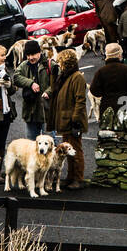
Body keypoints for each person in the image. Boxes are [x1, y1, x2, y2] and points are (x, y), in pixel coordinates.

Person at [50, 48, 87, 190]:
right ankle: (70, 177)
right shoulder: (65, 76)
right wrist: (54, 75)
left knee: (75, 150)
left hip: (73, 121)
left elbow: (80, 100)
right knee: (68, 150)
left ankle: (79, 178)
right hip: (66, 120)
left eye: (60, 62)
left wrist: (76, 121)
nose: (59, 65)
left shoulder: (77, 77)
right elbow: (55, 90)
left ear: (66, 62)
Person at [91, 42, 127, 121]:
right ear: (119, 55)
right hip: (125, 103)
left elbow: (94, 90)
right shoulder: (126, 69)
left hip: (107, 105)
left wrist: (104, 93)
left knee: (109, 130)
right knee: (126, 129)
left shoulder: (101, 72)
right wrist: (126, 87)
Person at [13, 40, 53, 139]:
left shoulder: (50, 64)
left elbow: (59, 82)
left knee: (50, 143)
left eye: (33, 54)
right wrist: (31, 83)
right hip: (30, 112)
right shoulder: (24, 65)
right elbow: (16, 77)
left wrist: (48, 92)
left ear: (39, 52)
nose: (31, 58)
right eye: (28, 55)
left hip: (46, 111)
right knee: (31, 145)